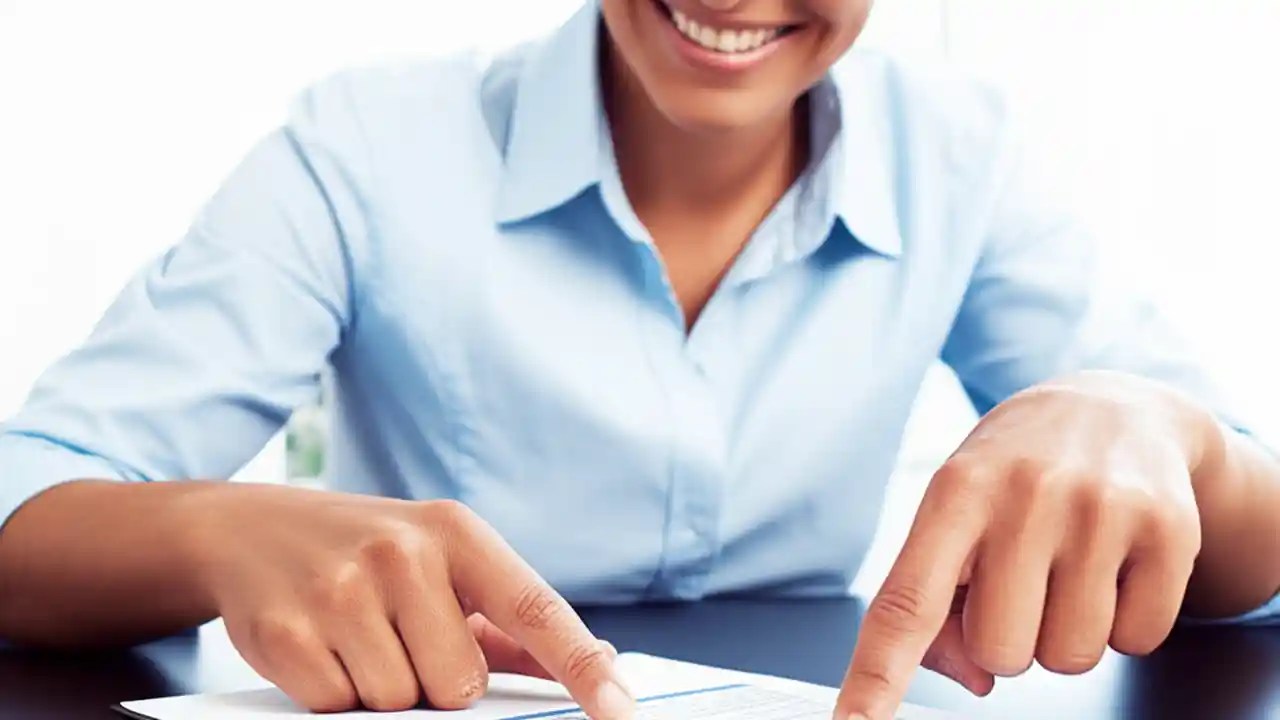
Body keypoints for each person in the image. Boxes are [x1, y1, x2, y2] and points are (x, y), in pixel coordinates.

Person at [1, 0, 1277, 718]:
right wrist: (221, 531)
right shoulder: (365, 147)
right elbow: (28, 496)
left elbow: (1248, 526)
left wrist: (1169, 442)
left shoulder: (964, 157)